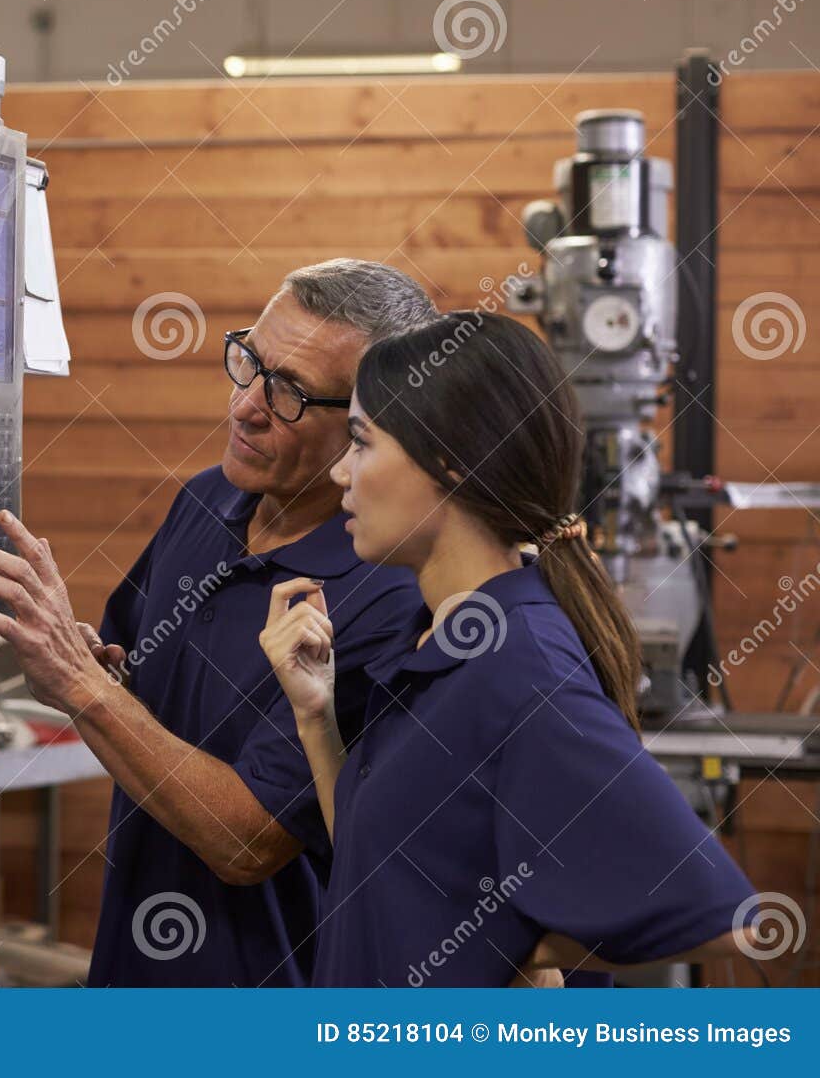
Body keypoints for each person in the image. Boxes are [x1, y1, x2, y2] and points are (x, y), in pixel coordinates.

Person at [0, 259, 436, 985]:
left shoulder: (383, 596)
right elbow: (135, 689)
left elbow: (247, 841)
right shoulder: (207, 502)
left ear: (371, 426)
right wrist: (83, 665)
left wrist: (85, 687)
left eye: (291, 395)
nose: (247, 405)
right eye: (250, 363)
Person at [260, 310, 757, 986]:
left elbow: (726, 917)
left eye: (361, 442)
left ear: (450, 463)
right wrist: (316, 718)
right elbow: (382, 867)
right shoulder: (437, 638)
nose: (342, 473)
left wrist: (525, 951)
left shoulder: (518, 667)